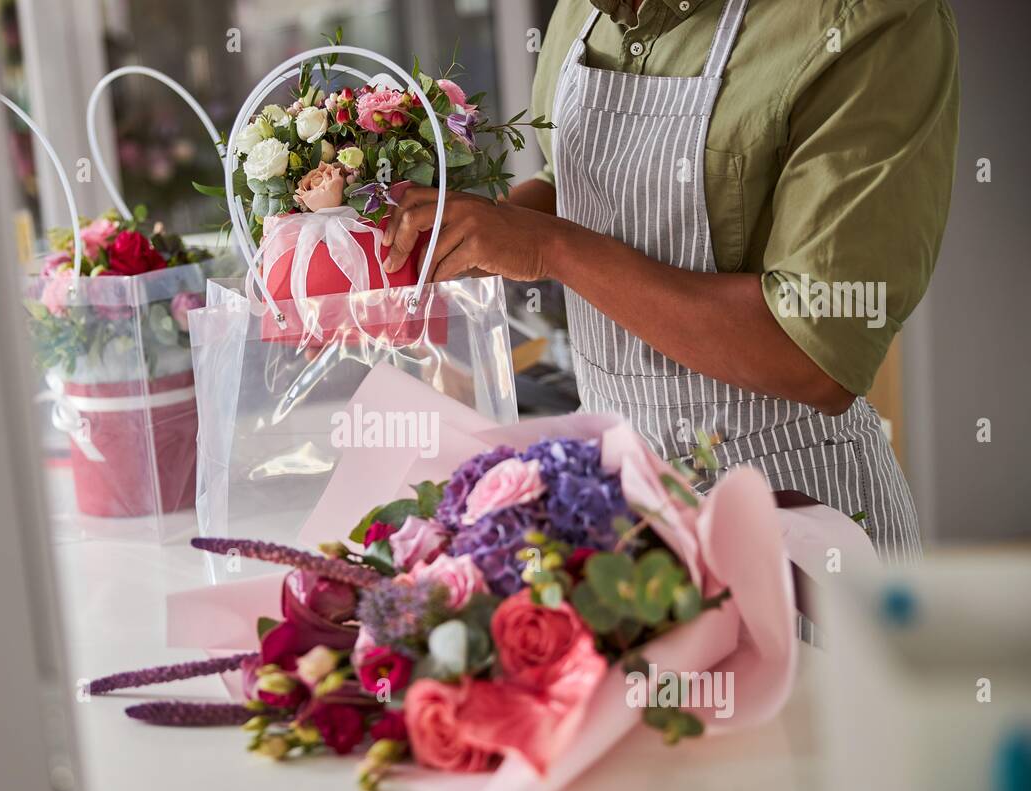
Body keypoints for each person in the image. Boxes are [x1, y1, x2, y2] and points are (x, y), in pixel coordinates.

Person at [382, 0, 959, 564]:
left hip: (795, 518)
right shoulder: (579, 16)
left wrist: (544, 247)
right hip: (615, 509)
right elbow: (575, 182)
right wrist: (470, 236)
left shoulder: (868, 19)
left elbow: (812, 356)